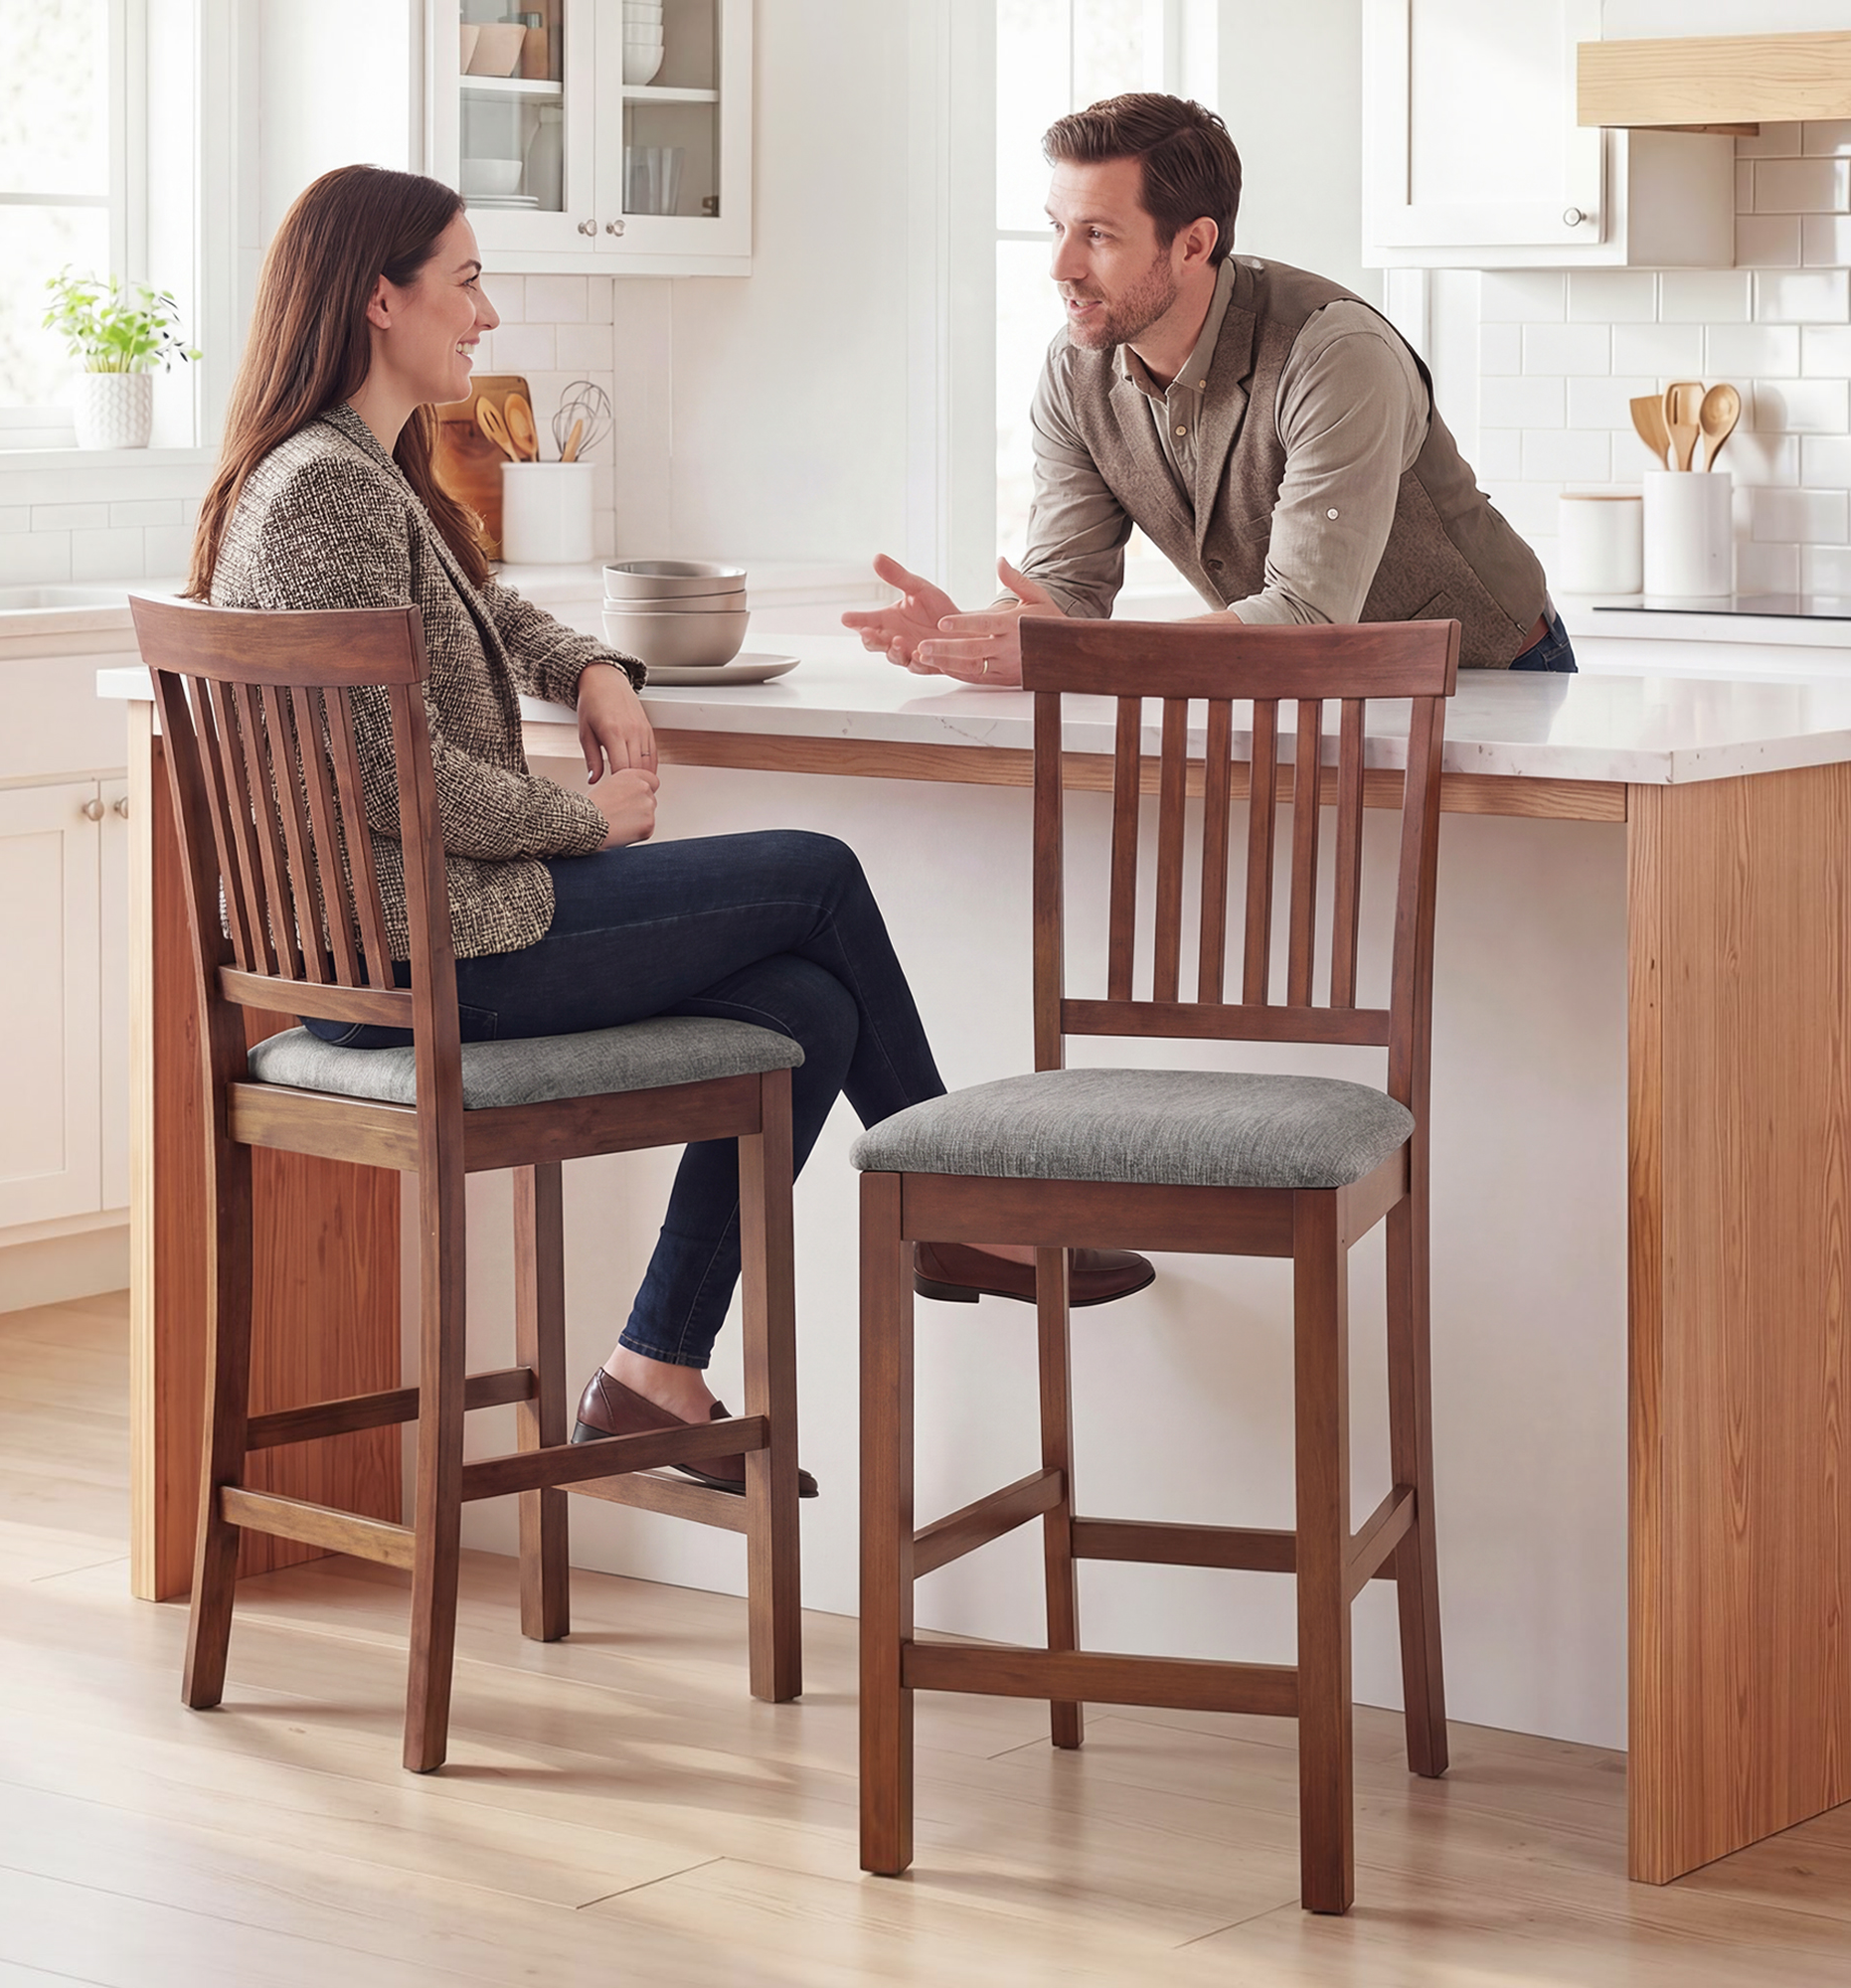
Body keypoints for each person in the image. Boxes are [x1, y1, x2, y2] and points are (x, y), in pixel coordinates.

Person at [186, 165, 1155, 1494]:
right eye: (466, 281)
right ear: (377, 298)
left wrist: (595, 672)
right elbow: (381, 776)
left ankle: (651, 1370)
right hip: (415, 960)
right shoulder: (326, 492)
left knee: (808, 1006)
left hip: (414, 945)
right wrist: (580, 821)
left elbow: (493, 619)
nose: (488, 313)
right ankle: (959, 1209)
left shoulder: (368, 472)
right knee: (814, 875)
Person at [847, 93, 1573, 683]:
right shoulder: (1074, 371)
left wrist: (1069, 653)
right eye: (1056, 227)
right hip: (1300, 678)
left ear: (1193, 244)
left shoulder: (1334, 354)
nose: (1060, 265)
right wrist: (975, 633)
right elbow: (1067, 585)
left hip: (1494, 673)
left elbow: (1306, 617)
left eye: (1097, 235)